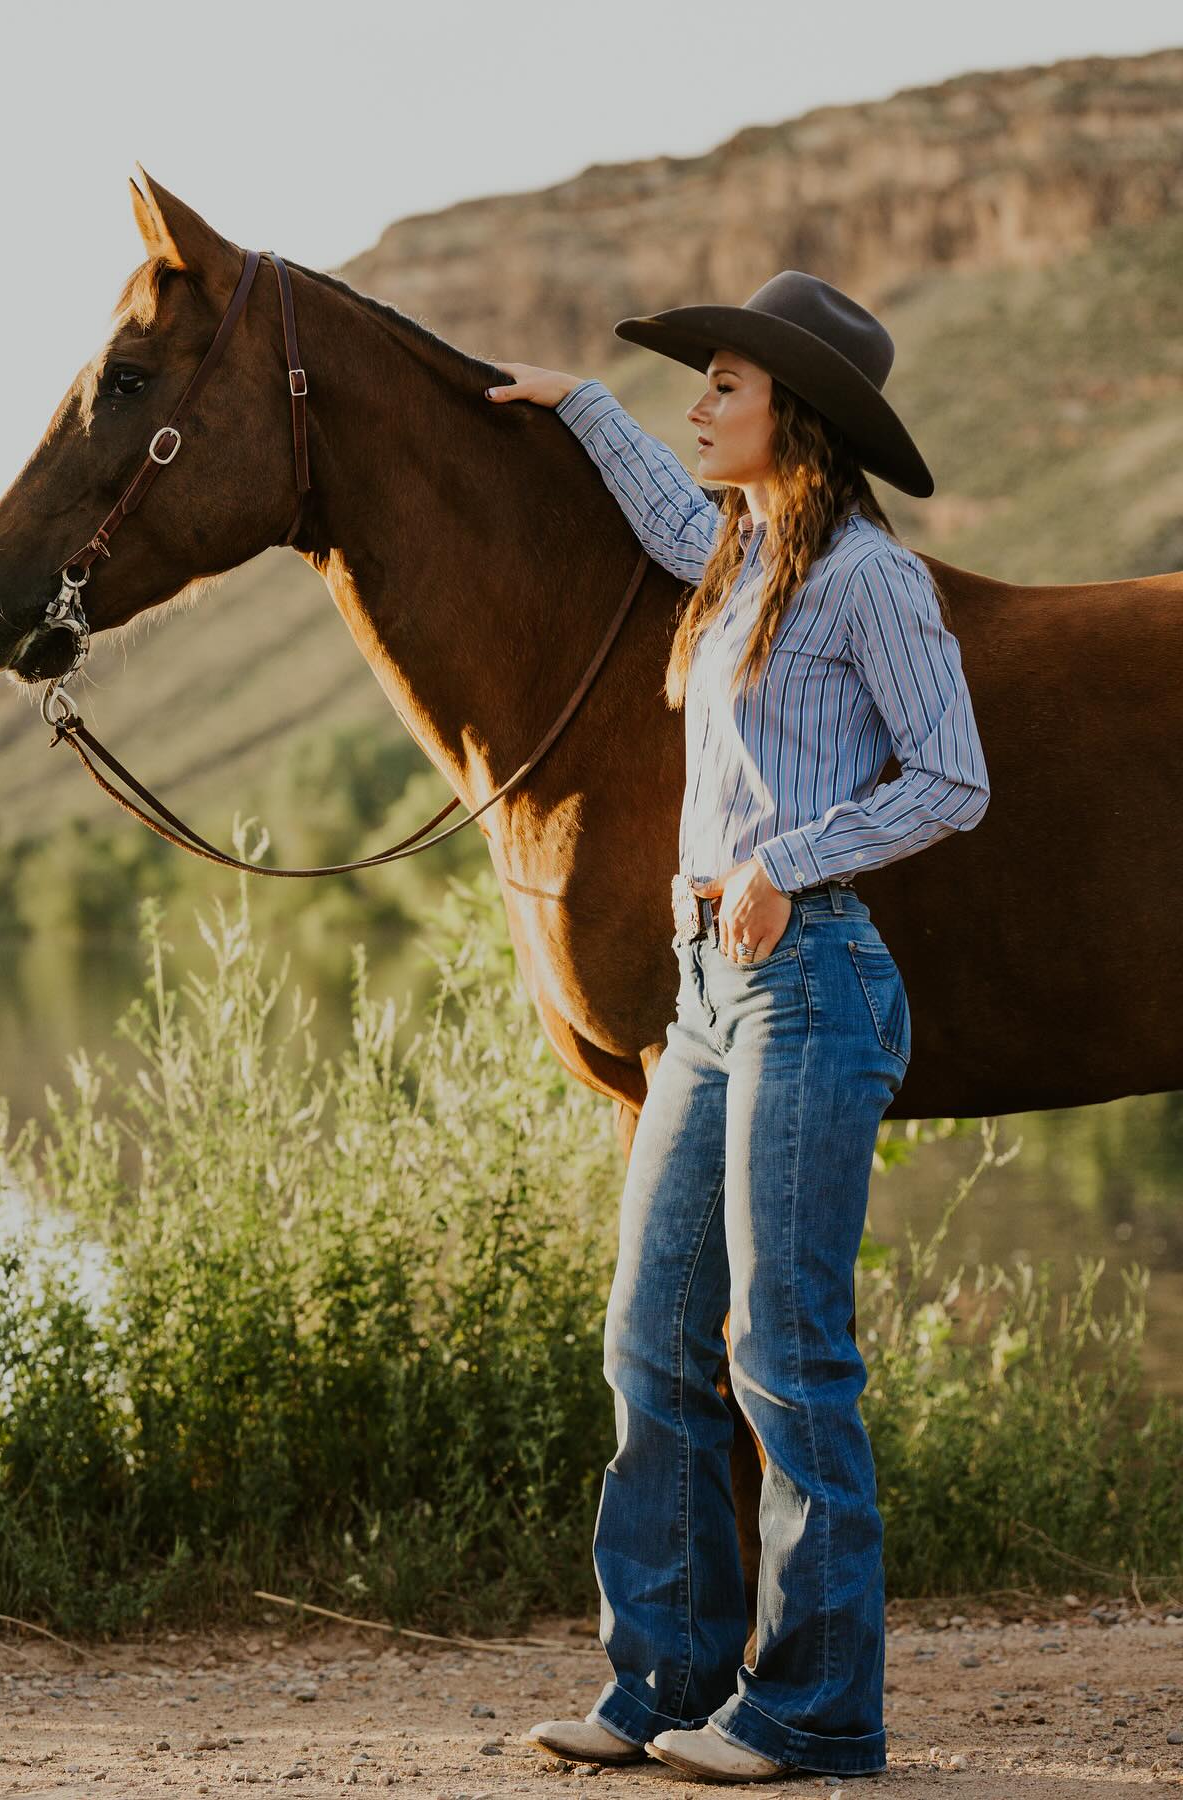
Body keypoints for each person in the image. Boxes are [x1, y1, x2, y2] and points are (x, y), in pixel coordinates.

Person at [484, 271, 990, 1784]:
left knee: (784, 1351)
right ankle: (663, 1680)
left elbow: (954, 778)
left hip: (814, 982)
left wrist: (790, 858)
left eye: (723, 388)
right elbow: (655, 499)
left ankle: (820, 1708)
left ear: (797, 417)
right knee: (651, 1336)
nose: (697, 409)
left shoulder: (867, 584)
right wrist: (575, 403)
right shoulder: (740, 555)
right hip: (704, 994)